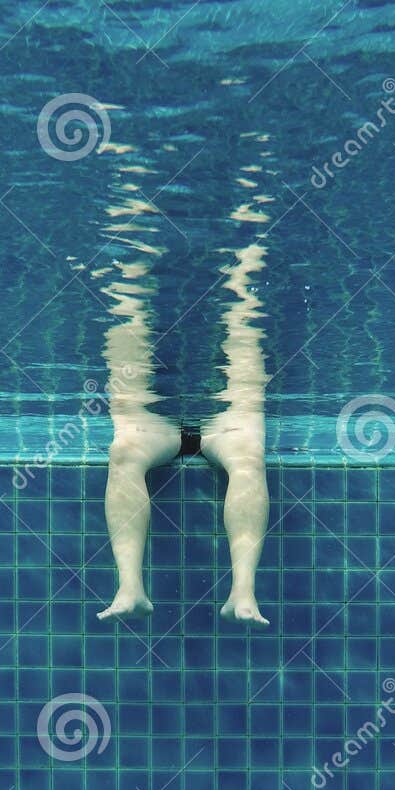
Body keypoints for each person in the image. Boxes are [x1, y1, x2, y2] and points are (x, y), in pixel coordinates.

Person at [94, 135, 273, 626]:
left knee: (249, 456)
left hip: (229, 421)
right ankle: (130, 587)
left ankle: (243, 593)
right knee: (124, 452)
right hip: (151, 420)